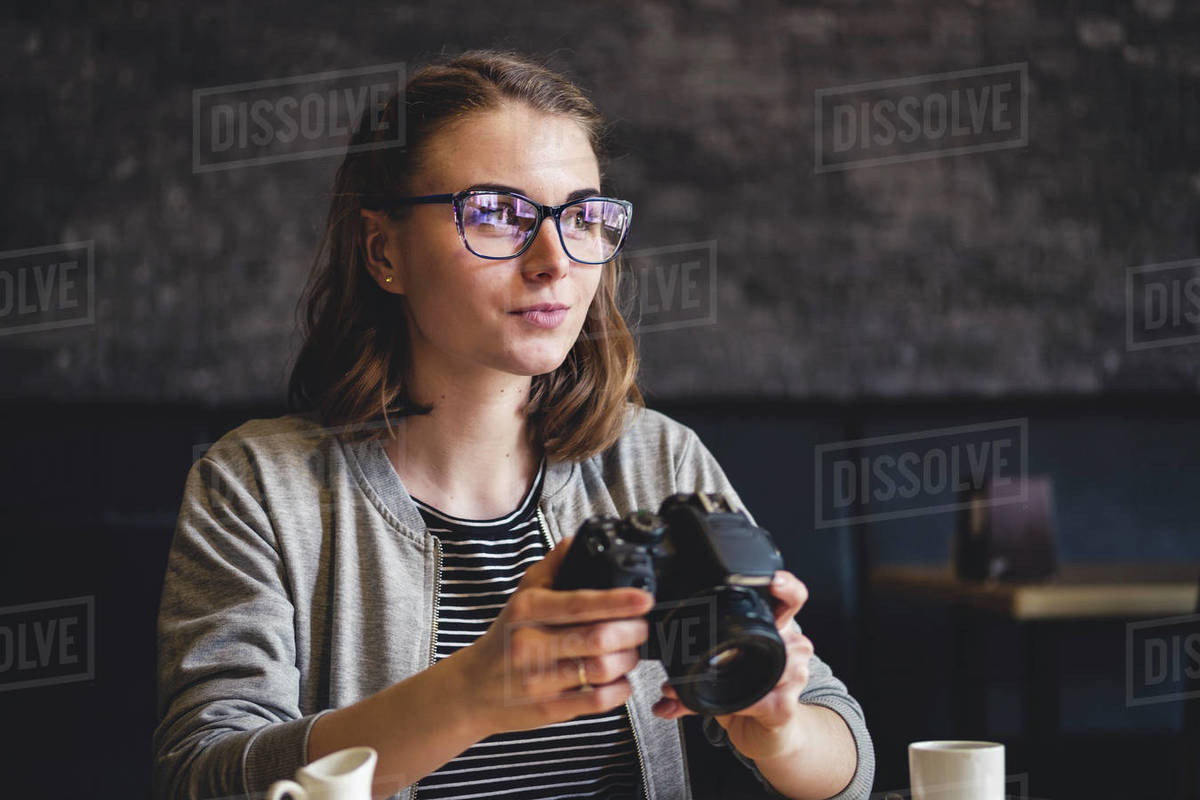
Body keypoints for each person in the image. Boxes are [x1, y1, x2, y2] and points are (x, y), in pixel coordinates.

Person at [152, 49, 874, 800]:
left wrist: (781, 730)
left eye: (583, 217)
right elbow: (201, 777)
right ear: (382, 249)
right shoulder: (258, 487)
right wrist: (468, 695)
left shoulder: (657, 463)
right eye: (496, 213)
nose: (553, 260)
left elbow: (844, 758)